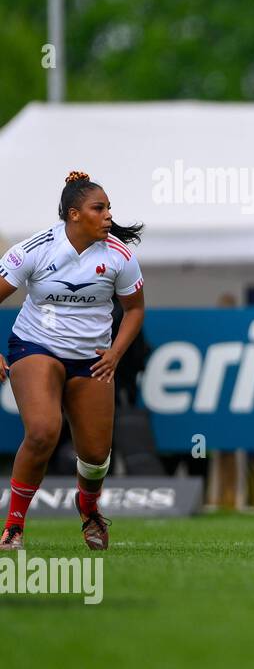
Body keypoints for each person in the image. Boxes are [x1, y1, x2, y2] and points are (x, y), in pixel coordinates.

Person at [0, 171, 146, 551]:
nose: (109, 216)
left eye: (109, 208)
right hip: (36, 346)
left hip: (91, 359)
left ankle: (89, 508)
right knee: (43, 431)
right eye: (99, 208)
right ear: (74, 214)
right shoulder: (33, 249)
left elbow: (134, 311)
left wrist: (115, 353)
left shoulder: (120, 256)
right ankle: (14, 526)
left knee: (96, 456)